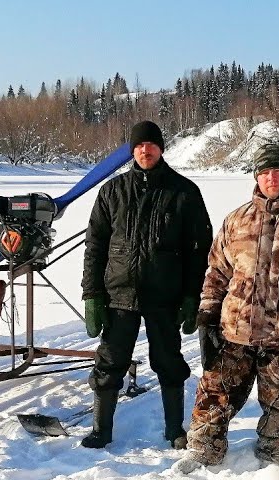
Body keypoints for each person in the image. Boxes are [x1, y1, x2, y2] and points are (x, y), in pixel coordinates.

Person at [175, 142, 279, 472]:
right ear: (256, 177)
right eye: (264, 172)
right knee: (215, 387)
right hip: (235, 328)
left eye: (276, 171)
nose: (270, 178)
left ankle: (273, 455)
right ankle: (204, 447)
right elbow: (217, 271)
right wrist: (208, 314)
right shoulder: (237, 220)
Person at [80, 120, 213, 449]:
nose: (145, 150)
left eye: (151, 144)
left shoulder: (184, 192)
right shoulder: (112, 191)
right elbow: (95, 247)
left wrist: (190, 296)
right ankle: (101, 429)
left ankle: (173, 429)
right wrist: (92, 295)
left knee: (168, 361)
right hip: (118, 294)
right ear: (132, 150)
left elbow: (199, 250)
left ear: (161, 148)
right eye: (139, 145)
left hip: (164, 295)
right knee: (110, 361)